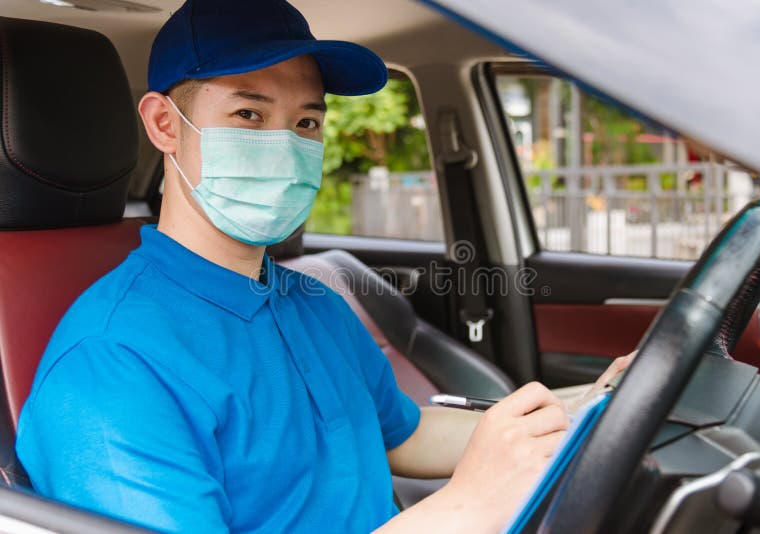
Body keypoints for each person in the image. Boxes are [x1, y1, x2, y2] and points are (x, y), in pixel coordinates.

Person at [15, 1, 632, 532]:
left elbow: (404, 437)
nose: (286, 143)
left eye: (306, 121)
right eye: (249, 115)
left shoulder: (313, 302)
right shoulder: (112, 362)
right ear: (162, 125)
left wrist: (583, 414)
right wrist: (470, 505)